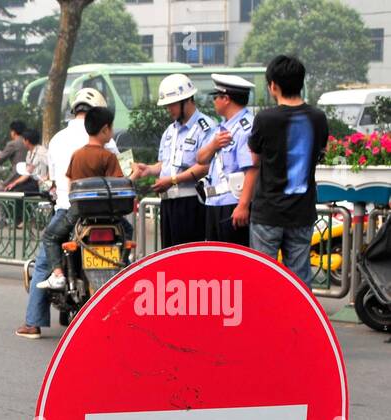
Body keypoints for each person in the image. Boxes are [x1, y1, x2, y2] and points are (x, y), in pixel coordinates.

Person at [18, 87, 119, 339]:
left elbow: (57, 178)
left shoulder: (58, 140)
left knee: (44, 259)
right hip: (107, 213)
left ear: (74, 110)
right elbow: (122, 175)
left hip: (69, 208)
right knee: (124, 250)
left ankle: (34, 321)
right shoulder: (108, 142)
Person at [246, 55, 329, 283]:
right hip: (302, 211)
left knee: (263, 278)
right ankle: (300, 319)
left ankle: (265, 319)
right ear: (301, 83)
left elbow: (254, 158)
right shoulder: (318, 118)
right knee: (300, 279)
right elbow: (321, 151)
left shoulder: (264, 118)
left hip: (268, 212)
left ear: (274, 85)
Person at [37, 106, 125, 290]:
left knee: (50, 236)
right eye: (112, 127)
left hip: (77, 213)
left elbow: (70, 184)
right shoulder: (109, 157)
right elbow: (118, 183)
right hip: (109, 216)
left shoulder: (77, 155)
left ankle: (58, 275)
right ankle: (123, 265)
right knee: (127, 232)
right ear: (105, 129)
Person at [131, 73, 215, 249]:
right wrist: (149, 169)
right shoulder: (170, 131)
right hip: (168, 204)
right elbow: (166, 163)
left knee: (190, 259)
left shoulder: (205, 128)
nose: (169, 109)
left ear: (187, 100)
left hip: (192, 203)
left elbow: (205, 167)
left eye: (172, 104)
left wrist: (173, 180)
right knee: (169, 257)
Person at [196, 73, 257, 246]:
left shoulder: (246, 127)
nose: (214, 101)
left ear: (226, 99)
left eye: (216, 97)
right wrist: (213, 145)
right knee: (215, 264)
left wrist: (243, 205)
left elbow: (251, 168)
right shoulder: (221, 127)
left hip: (233, 204)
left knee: (234, 264)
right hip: (214, 202)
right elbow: (200, 158)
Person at [0, 121, 29, 190]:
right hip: (29, 174)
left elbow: (0, 159)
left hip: (17, 175)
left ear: (13, 132)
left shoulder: (13, 144)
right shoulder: (28, 141)